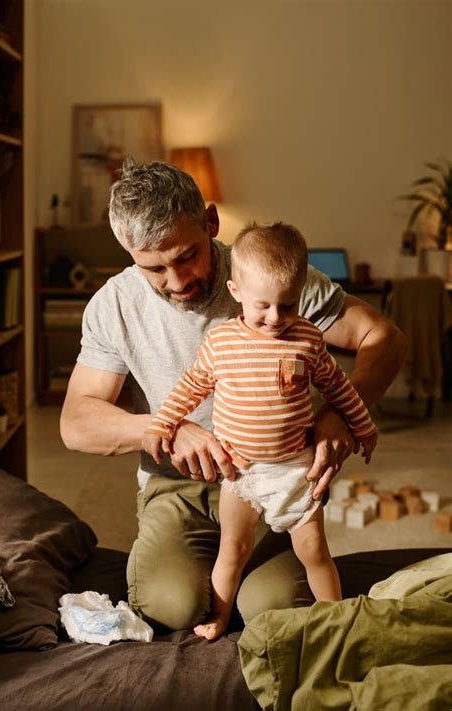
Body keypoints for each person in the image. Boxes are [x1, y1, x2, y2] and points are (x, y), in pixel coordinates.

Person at [60, 159, 406, 632]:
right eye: (154, 268)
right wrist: (166, 429)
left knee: (274, 606)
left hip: (269, 476)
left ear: (211, 221)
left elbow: (383, 338)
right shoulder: (115, 304)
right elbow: (76, 422)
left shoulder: (270, 277)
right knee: (172, 606)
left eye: (187, 255)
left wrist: (341, 418)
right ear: (128, 254)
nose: (177, 281)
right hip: (174, 487)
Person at [142, 222, 378, 640]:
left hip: (295, 471)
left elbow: (338, 387)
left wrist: (361, 426)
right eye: (263, 306)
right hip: (241, 472)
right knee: (232, 549)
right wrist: (165, 423)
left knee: (314, 552)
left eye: (287, 306)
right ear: (236, 292)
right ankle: (218, 615)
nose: (275, 318)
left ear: (301, 294)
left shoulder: (306, 339)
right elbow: (191, 385)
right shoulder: (222, 343)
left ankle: (339, 620)